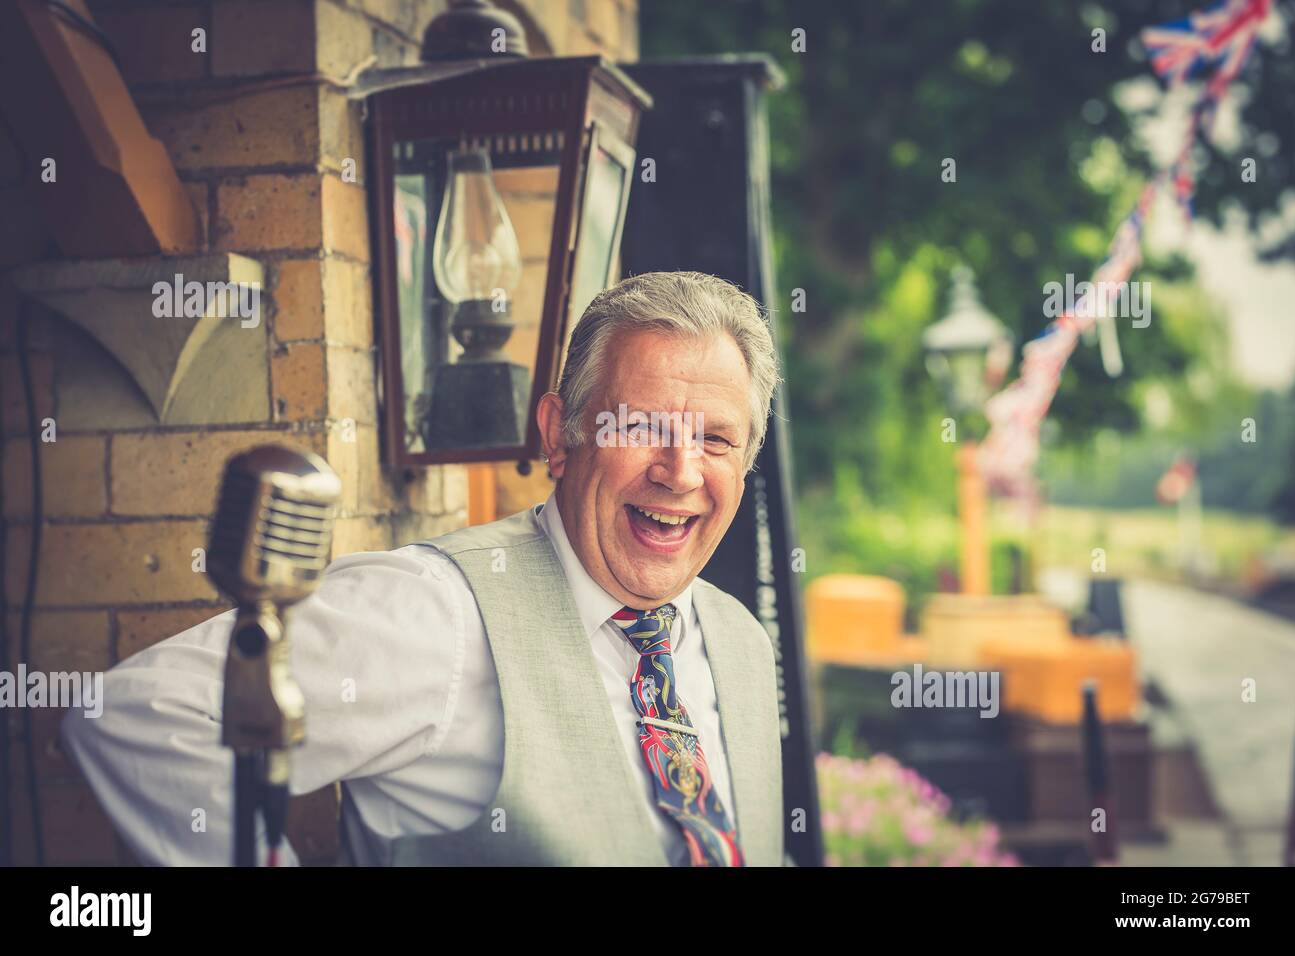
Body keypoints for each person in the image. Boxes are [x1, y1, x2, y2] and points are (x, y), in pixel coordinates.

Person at [62, 270, 785, 866]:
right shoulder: (441, 611)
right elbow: (140, 713)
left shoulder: (742, 642)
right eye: (642, 426)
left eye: (716, 440)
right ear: (558, 438)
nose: (681, 472)